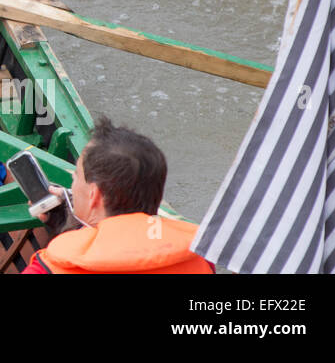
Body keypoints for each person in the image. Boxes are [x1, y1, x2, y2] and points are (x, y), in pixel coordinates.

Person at [22, 117, 213, 274]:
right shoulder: (199, 260)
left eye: (76, 176)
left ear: (94, 195)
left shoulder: (48, 268)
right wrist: (71, 225)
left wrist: (67, 232)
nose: (73, 182)